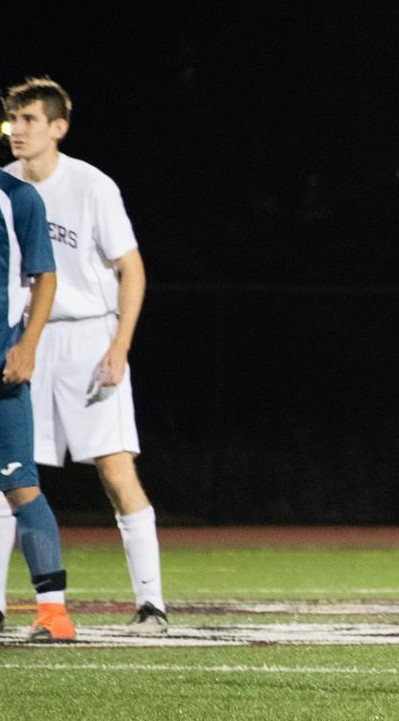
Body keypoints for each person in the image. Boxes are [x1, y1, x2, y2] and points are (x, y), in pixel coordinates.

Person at [0, 76, 167, 634]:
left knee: (116, 472)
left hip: (88, 337)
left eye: (28, 120)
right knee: (10, 477)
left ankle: (151, 603)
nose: (16, 130)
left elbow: (132, 268)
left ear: (58, 128)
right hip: (27, 341)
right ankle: (13, 606)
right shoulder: (5, 187)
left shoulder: (92, 185)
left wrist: (119, 346)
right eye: (12, 119)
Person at [1, 166, 76, 641]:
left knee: (21, 486)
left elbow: (44, 276)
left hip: (2, 371)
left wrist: (27, 344)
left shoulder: (17, 198)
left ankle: (54, 615)